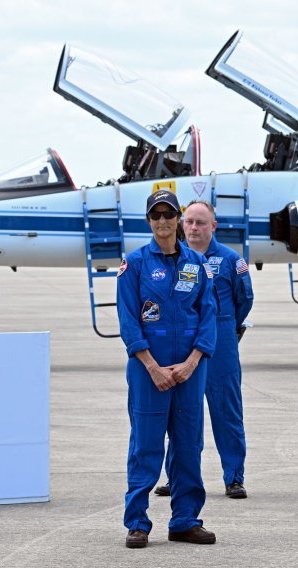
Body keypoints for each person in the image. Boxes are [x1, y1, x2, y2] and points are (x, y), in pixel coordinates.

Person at [117, 190, 217, 548]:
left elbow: (208, 317)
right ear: (149, 221)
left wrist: (192, 363)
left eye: (169, 215)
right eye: (156, 216)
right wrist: (152, 366)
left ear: (177, 220)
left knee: (189, 445)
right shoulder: (136, 264)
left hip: (189, 371)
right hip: (148, 371)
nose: (163, 222)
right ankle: (138, 522)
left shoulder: (196, 264)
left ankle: (185, 520)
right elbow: (128, 321)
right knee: (146, 446)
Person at [153, 200, 254, 499]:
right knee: (183, 413)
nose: (194, 228)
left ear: (214, 226)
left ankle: (234, 477)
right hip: (183, 337)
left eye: (201, 222)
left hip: (221, 336)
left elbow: (244, 300)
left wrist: (224, 330)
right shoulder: (174, 258)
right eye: (190, 222)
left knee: (227, 409)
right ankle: (178, 478)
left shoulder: (230, 260)